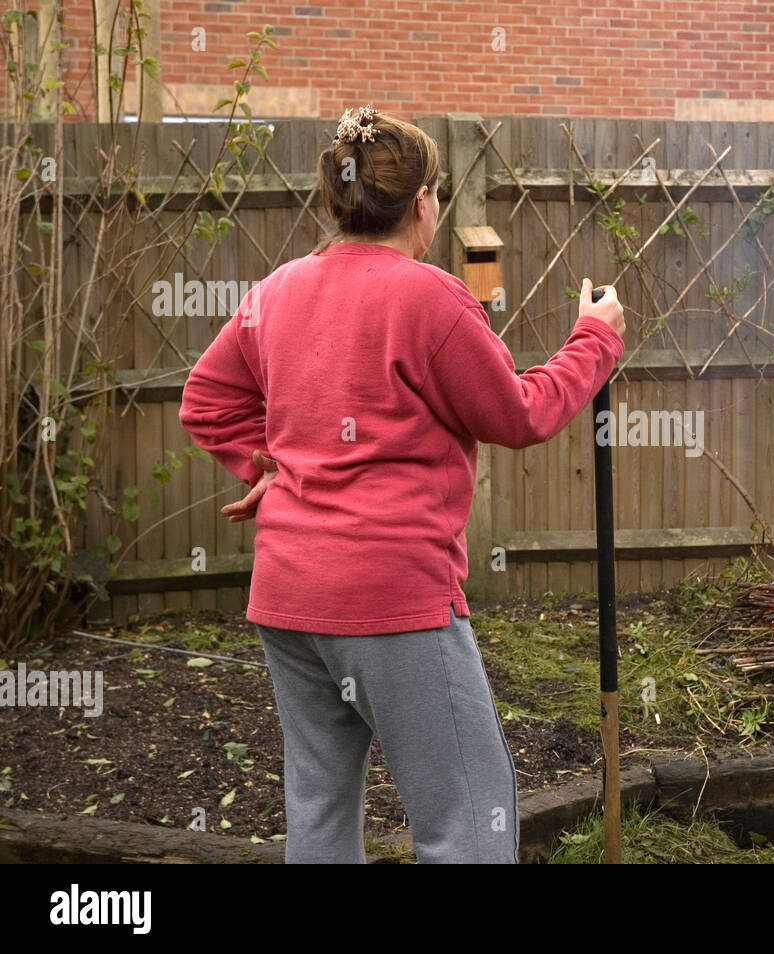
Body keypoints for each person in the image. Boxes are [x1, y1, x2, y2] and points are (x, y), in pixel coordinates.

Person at [178, 105, 626, 863]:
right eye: (438, 195)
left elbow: (206, 402)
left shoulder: (278, 291)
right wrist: (596, 339)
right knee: (467, 822)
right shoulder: (429, 297)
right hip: (391, 600)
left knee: (318, 811)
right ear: (422, 202)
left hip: (290, 598)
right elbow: (519, 413)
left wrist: (273, 467)